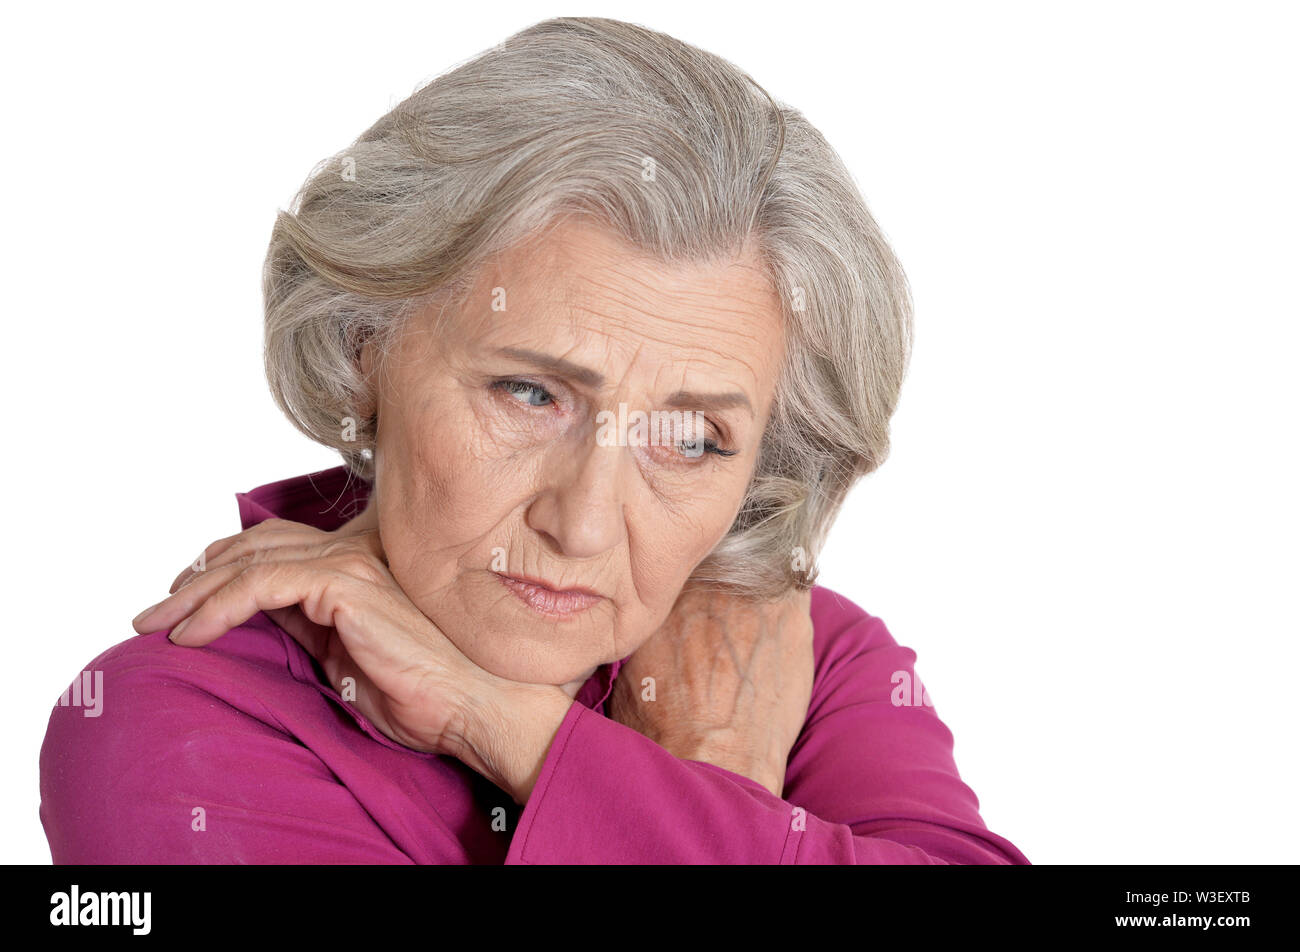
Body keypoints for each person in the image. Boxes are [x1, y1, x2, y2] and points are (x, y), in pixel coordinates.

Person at [39, 16, 1029, 864]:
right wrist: (717, 774)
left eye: (692, 439)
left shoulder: (785, 647)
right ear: (364, 350)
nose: (587, 523)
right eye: (529, 392)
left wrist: (504, 722)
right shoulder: (170, 721)